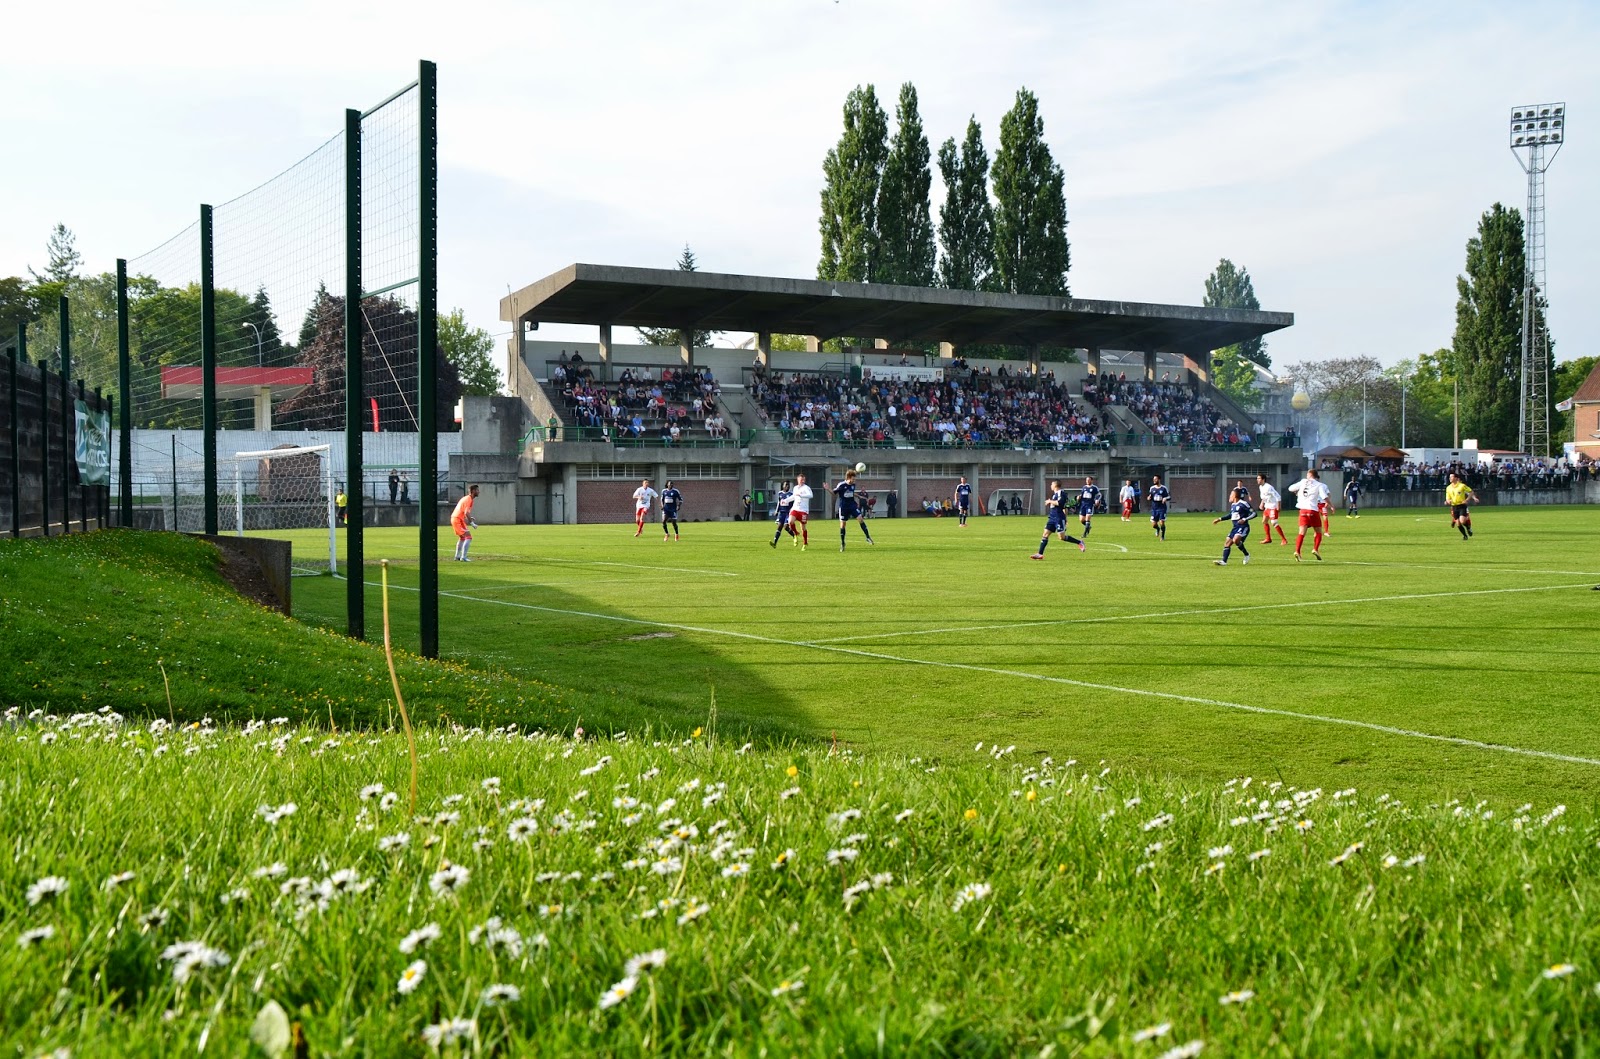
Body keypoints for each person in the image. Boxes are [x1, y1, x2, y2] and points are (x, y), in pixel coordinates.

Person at [1030, 479, 1085, 559]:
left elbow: (1060, 503)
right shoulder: (1055, 494)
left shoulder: (1061, 493)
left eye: (1051, 484)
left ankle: (1079, 542)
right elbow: (1064, 507)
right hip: (1052, 517)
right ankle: (1040, 554)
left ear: (1055, 485)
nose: (1050, 486)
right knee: (1045, 534)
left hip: (1059, 518)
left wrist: (1050, 501)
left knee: (1061, 537)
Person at [1287, 468, 1329, 561]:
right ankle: (1315, 549)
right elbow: (1324, 496)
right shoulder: (1319, 485)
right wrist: (1331, 505)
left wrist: (1297, 492)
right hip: (1313, 510)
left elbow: (1290, 488)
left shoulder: (1303, 482)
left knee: (1301, 533)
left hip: (1302, 511)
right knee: (1318, 531)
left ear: (1309, 475)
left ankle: (1297, 551)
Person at [834, 469, 876, 550]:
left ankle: (867, 537)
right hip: (843, 507)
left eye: (854, 479)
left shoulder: (853, 485)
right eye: (853, 479)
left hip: (852, 505)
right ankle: (842, 543)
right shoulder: (841, 485)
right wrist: (827, 488)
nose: (854, 480)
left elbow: (851, 492)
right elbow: (834, 492)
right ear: (848, 478)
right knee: (843, 525)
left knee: (860, 519)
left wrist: (858, 496)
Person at [1211, 488, 1254, 566]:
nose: (1229, 496)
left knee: (1236, 539)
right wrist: (1219, 519)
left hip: (1243, 526)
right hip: (1235, 527)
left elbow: (1254, 513)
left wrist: (1245, 519)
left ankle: (1246, 555)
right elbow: (1230, 515)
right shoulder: (1233, 505)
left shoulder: (1243, 503)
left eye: (1231, 494)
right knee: (1227, 543)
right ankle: (1224, 561)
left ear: (1235, 495)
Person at [1444, 473, 1480, 540]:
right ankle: (1465, 536)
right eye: (1449, 477)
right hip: (1454, 506)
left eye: (1451, 477)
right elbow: (1447, 498)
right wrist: (1447, 501)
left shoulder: (1462, 486)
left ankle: (1468, 528)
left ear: (1456, 478)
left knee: (1462, 521)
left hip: (1462, 506)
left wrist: (1467, 499)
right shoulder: (1448, 488)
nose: (1450, 478)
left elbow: (1471, 492)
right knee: (1458, 523)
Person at [1256, 474, 1288, 545]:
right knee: (1264, 521)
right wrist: (1262, 503)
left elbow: (1278, 496)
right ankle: (1268, 538)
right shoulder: (1261, 487)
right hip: (1267, 507)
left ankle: (1284, 539)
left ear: (1263, 479)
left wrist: (1278, 506)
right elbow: (1264, 497)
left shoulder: (1269, 487)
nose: (1257, 480)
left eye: (1259, 478)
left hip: (1273, 507)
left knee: (1274, 523)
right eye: (1257, 478)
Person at [451, 484, 480, 562]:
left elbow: (464, 511)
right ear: (473, 491)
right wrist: (472, 523)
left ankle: (457, 556)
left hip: (457, 518)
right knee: (468, 537)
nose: (479, 492)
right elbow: (466, 512)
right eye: (477, 490)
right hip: (458, 520)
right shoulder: (469, 499)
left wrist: (470, 518)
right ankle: (463, 557)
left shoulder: (466, 498)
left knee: (462, 538)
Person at [788, 472, 814, 549]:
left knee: (803, 527)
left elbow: (811, 495)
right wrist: (786, 500)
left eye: (803, 480)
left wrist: (801, 495)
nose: (802, 481)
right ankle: (795, 533)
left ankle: (805, 543)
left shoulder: (806, 488)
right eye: (801, 480)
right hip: (795, 508)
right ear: (798, 480)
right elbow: (794, 497)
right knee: (790, 521)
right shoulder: (795, 488)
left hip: (803, 510)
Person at [770, 480, 798, 547]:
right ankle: (774, 543)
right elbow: (778, 503)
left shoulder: (791, 494)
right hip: (781, 513)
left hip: (788, 513)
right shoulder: (780, 493)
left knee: (785, 527)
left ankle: (794, 536)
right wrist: (776, 511)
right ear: (783, 486)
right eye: (786, 485)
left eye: (788, 485)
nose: (787, 486)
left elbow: (794, 503)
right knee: (779, 527)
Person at [1147, 475, 1170, 541]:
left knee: (1162, 522)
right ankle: (1157, 529)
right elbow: (1150, 496)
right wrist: (1149, 498)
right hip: (1154, 508)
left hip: (1162, 508)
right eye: (1154, 479)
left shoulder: (1164, 488)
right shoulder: (1152, 488)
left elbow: (1169, 497)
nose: (1154, 480)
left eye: (1155, 479)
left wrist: (1165, 498)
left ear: (1159, 479)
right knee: (1154, 524)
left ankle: (1162, 536)